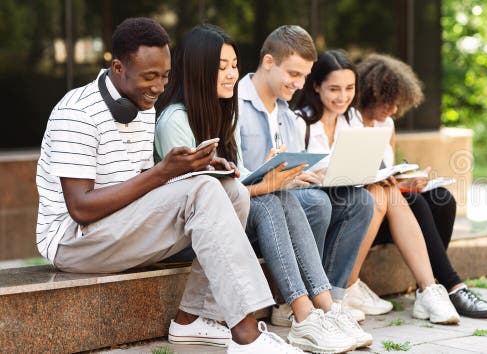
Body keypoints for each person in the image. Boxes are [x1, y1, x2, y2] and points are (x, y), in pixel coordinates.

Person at [34, 18, 293, 353]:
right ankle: (247, 337)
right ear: (118, 68)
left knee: (233, 192)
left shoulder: (142, 107)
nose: (158, 87)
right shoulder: (77, 113)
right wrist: (163, 172)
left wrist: (191, 168)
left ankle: (192, 319)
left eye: (165, 75)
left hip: (118, 227)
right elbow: (81, 208)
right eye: (149, 77)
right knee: (202, 190)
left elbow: (142, 189)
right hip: (74, 242)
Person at [153, 24, 369, 353]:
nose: (230, 75)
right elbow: (198, 199)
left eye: (234, 65)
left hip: (224, 222)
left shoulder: (220, 113)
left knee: (281, 196)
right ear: (198, 70)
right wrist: (263, 184)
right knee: (271, 201)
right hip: (188, 235)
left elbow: (230, 180)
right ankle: (305, 314)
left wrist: (271, 177)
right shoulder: (175, 122)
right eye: (221, 67)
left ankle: (324, 309)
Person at [292, 50, 463, 324]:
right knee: (379, 193)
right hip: (323, 206)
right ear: (316, 86)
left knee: (387, 190)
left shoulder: (350, 120)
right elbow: (291, 174)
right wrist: (318, 173)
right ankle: (350, 287)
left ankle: (429, 289)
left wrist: (392, 177)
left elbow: (365, 167)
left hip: (354, 201)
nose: (342, 97)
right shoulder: (300, 122)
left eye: (349, 89)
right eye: (334, 89)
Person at [237, 25, 373, 322]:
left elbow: (295, 169)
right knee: (316, 202)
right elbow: (233, 172)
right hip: (254, 203)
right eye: (293, 74)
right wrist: (272, 175)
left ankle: (332, 300)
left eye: (304, 76)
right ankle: (296, 302)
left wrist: (304, 175)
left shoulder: (284, 112)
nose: (299, 84)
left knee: (359, 200)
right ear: (269, 62)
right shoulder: (235, 103)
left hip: (284, 194)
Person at [352, 53, 487, 319]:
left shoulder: (387, 124)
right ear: (371, 94)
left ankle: (428, 292)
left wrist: (407, 180)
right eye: (389, 102)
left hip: (393, 207)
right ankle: (450, 286)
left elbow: (387, 174)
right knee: (415, 203)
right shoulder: (348, 120)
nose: (394, 110)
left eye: (398, 104)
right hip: (366, 213)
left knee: (442, 198)